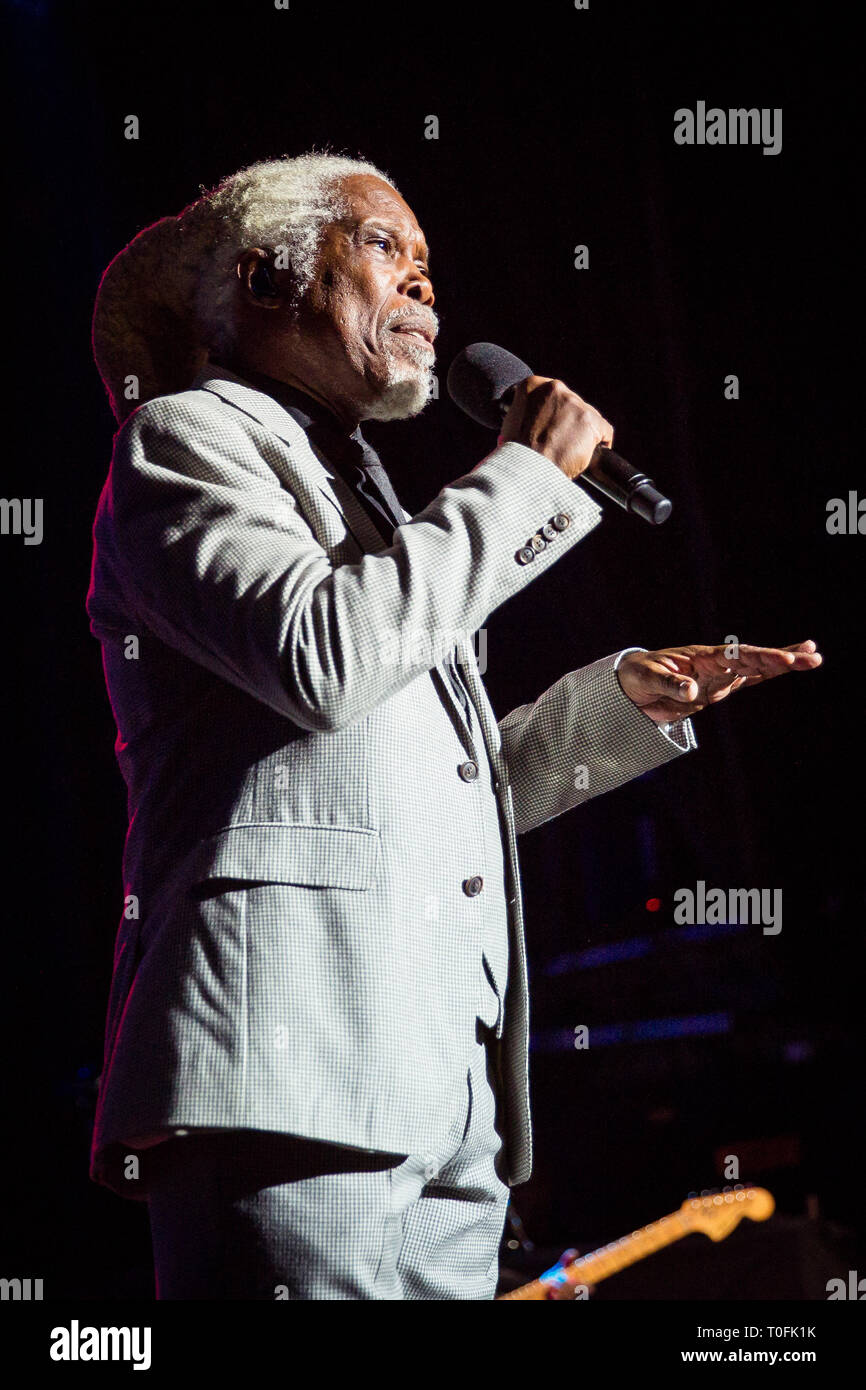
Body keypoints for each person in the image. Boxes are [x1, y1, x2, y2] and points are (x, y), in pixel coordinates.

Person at [86, 151, 822, 1300]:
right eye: (386, 250)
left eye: (431, 265)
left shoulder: (366, 494)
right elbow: (326, 657)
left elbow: (445, 798)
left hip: (449, 1098)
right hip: (293, 1072)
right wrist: (525, 475)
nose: (426, 289)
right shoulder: (187, 441)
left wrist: (619, 705)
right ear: (269, 278)